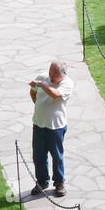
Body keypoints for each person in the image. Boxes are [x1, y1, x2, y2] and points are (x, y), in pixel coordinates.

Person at [28, 60, 73, 198]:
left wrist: (42, 85)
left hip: (56, 127)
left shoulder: (67, 83)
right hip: (39, 124)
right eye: (50, 73)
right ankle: (42, 182)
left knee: (57, 156)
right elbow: (32, 92)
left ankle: (59, 183)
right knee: (38, 156)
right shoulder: (42, 77)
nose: (51, 77)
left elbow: (55, 95)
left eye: (55, 75)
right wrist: (39, 105)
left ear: (63, 74)